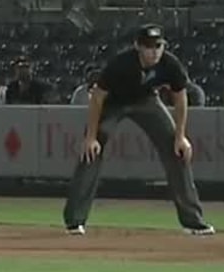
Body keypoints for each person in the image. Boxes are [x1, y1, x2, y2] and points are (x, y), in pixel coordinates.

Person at [63, 25, 215, 236]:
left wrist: (181, 136)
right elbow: (98, 97)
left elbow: (180, 97)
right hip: (113, 103)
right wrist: (90, 136)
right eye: (149, 47)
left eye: (159, 46)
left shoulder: (170, 64)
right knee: (91, 151)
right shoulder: (121, 64)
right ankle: (74, 220)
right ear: (138, 47)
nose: (154, 51)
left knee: (176, 150)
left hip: (146, 100)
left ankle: (192, 221)